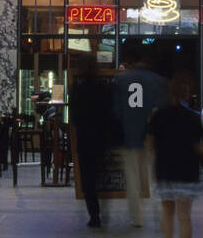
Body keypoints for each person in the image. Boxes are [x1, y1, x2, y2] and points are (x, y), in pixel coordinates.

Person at [146, 73, 203, 238]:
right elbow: (200, 147)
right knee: (184, 216)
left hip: (165, 170)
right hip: (188, 172)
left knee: (167, 211)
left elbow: (150, 143)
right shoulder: (193, 118)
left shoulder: (159, 115)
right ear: (187, 95)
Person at [113, 45, 166, 228]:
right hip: (151, 136)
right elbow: (161, 111)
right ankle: (160, 213)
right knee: (153, 176)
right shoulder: (158, 81)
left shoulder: (120, 80)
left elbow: (116, 110)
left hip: (128, 135)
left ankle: (137, 217)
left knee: (132, 176)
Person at [69, 59, 113, 228]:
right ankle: (104, 208)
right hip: (101, 138)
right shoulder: (104, 88)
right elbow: (109, 113)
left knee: (88, 179)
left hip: (85, 138)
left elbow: (74, 117)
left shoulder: (77, 89)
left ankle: (94, 214)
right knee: (100, 174)